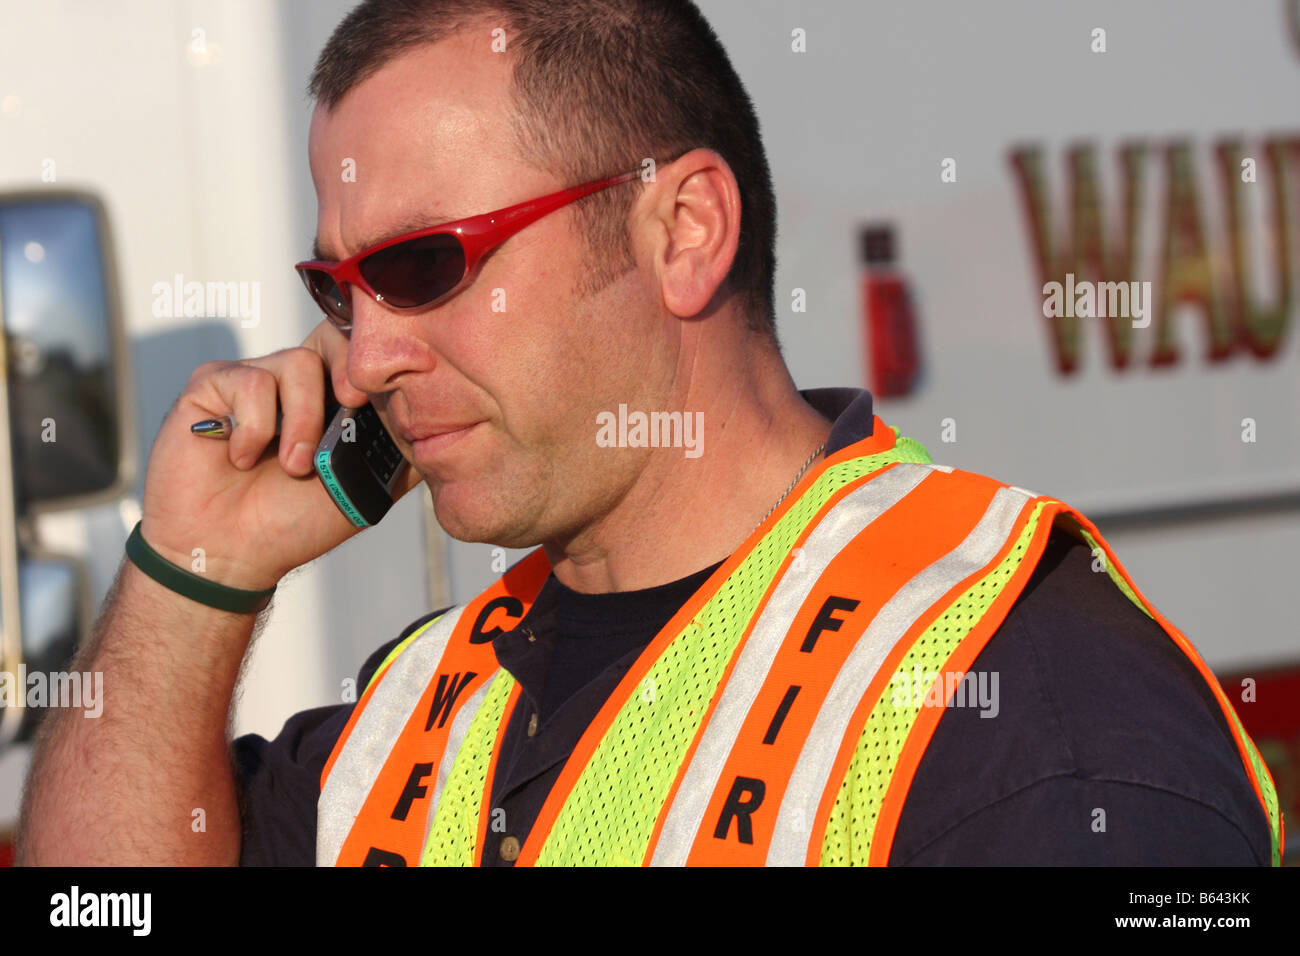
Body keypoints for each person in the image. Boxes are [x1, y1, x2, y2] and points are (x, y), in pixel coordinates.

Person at [19, 0, 1281, 867]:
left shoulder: (1035, 720)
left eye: (421, 264)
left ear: (683, 231)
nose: (363, 355)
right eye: (337, 289)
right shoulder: (424, 710)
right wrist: (196, 569)